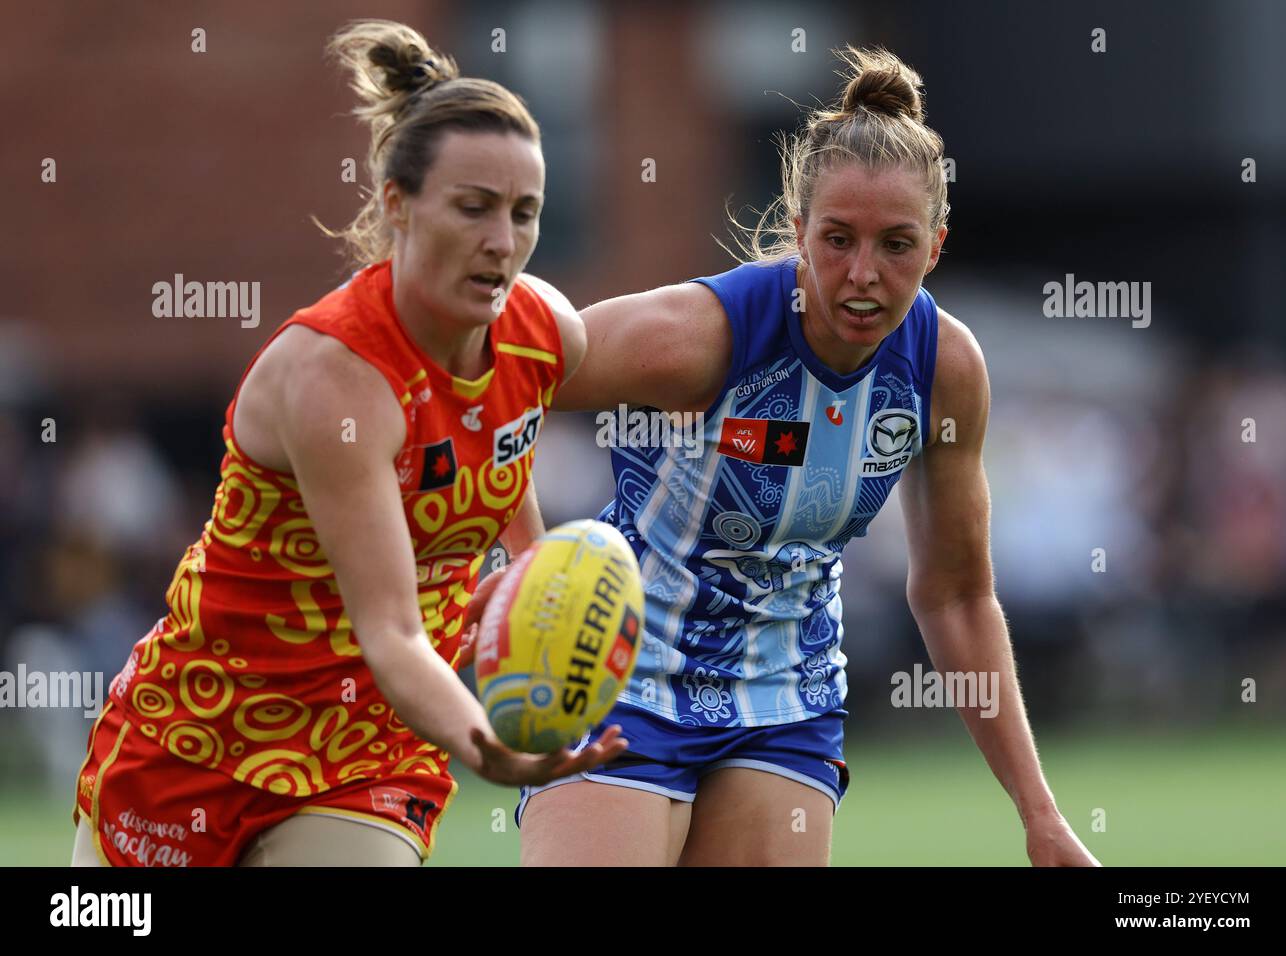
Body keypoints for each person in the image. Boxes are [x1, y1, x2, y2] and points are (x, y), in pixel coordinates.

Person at [510, 46, 1100, 866]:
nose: (863, 275)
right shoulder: (693, 337)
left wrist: (1041, 816)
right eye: (837, 240)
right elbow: (493, 381)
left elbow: (958, 596)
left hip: (785, 695)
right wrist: (519, 560)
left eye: (896, 245)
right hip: (620, 673)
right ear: (796, 233)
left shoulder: (945, 371)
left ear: (935, 246)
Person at [70, 18, 624, 868]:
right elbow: (394, 632)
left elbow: (498, 451)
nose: (502, 243)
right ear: (398, 204)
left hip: (373, 749)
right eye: (473, 208)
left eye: (525, 213)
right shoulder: (338, 380)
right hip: (193, 742)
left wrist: (526, 561)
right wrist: (492, 749)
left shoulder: (547, 334)